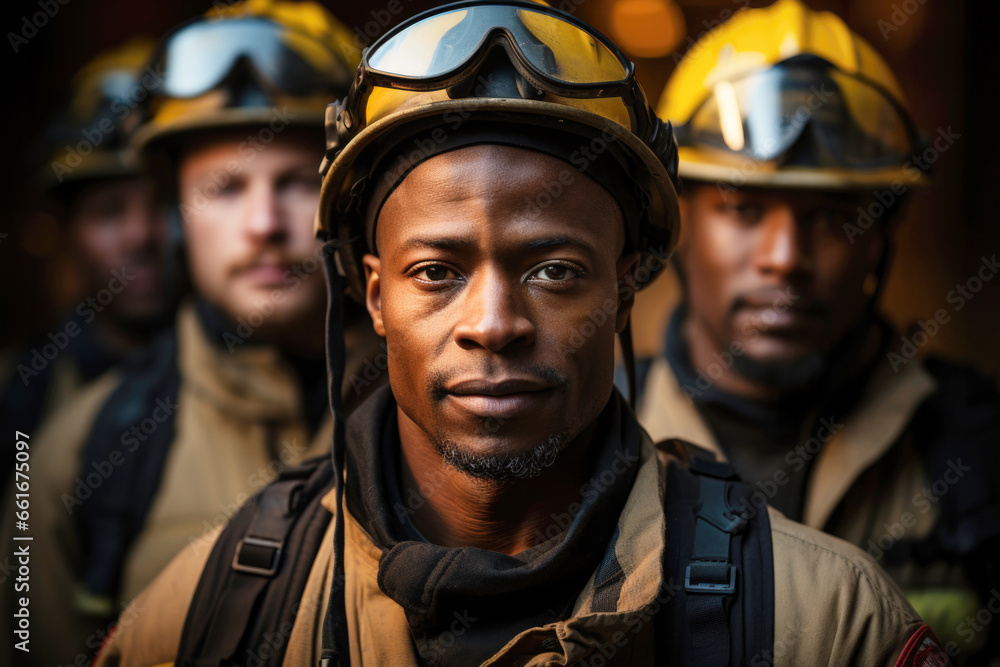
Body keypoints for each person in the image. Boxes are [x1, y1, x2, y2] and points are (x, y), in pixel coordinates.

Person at [92, 3, 950, 666]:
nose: (494, 324)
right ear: (374, 291)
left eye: (554, 271)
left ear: (627, 284)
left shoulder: (832, 620)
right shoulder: (215, 604)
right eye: (438, 271)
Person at [0, 3, 381, 666]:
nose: (263, 221)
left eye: (295, 182)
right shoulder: (75, 452)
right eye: (226, 188)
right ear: (177, 214)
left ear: (348, 197)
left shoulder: (454, 416)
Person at [633, 1, 1000, 663]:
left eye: (833, 215)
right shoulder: (591, 445)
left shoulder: (979, 447)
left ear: (880, 239)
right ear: (676, 224)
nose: (785, 257)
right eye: (743, 207)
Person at [0, 39, 177, 486]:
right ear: (68, 231)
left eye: (166, 203)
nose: (141, 234)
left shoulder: (266, 390)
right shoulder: (15, 399)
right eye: (109, 210)